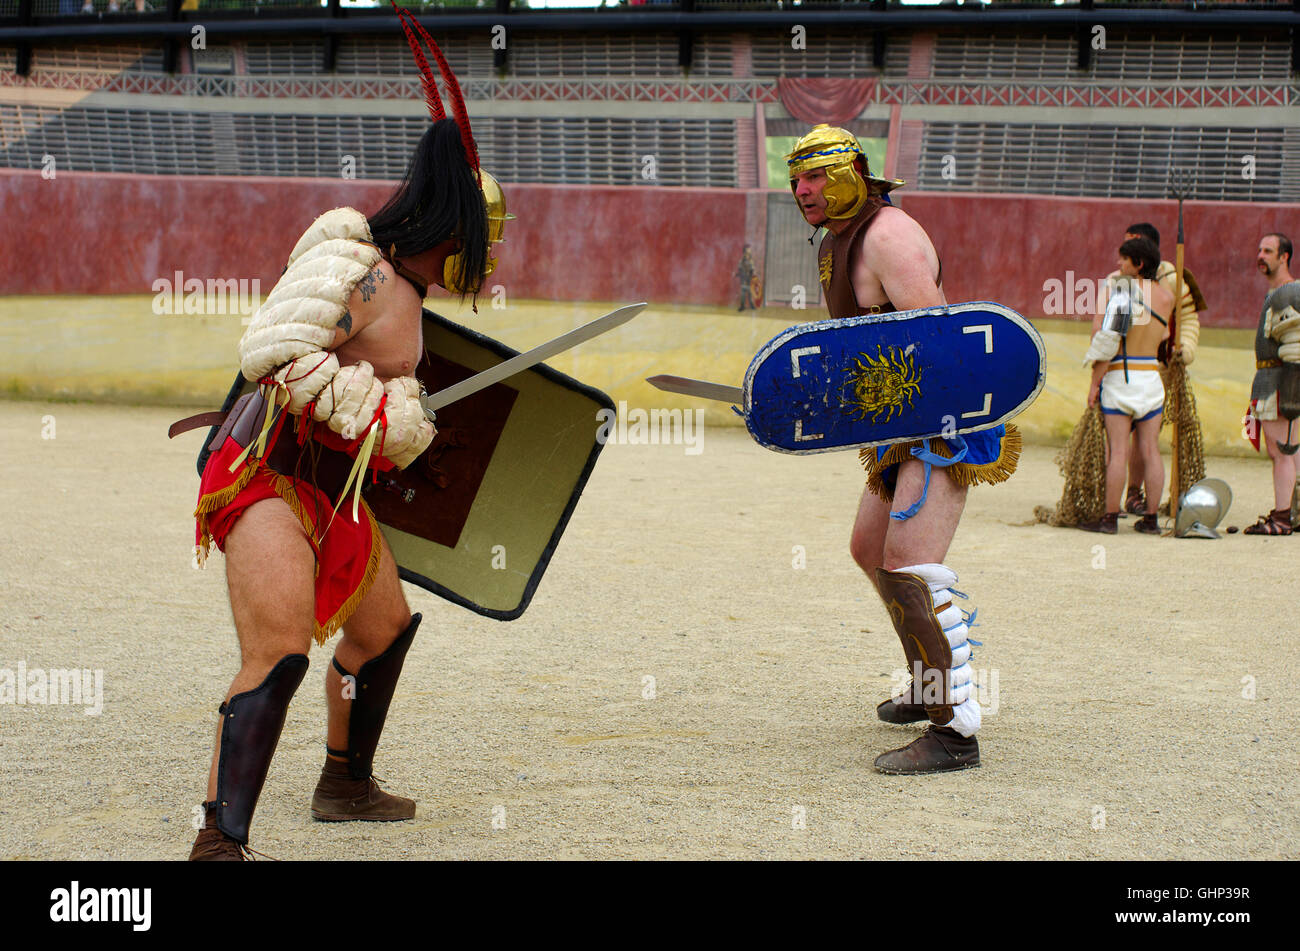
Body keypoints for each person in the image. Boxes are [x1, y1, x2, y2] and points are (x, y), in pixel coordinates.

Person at [185, 10, 508, 859]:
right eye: (481, 244)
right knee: (281, 650)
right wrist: (377, 412)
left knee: (384, 630)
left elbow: (376, 395)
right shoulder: (359, 270)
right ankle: (218, 843)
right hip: (266, 472)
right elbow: (273, 353)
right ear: (453, 231)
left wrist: (400, 427)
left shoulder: (408, 291)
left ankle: (345, 783)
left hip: (333, 489)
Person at [788, 124, 1021, 774]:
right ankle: (927, 684)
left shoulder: (886, 237)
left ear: (850, 174)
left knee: (910, 566)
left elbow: (943, 344)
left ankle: (954, 733)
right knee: (870, 550)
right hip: (902, 423)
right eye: (796, 176)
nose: (802, 188)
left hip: (940, 420)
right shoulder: (843, 240)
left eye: (816, 175)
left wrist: (929, 436)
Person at [1107, 222, 1205, 515]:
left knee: (1137, 441)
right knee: (1135, 442)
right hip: (1137, 370)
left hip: (1149, 369)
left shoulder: (1172, 281)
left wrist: (1183, 350)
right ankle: (1138, 508)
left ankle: (1125, 501)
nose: (1120, 258)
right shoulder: (1120, 281)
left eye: (1128, 250)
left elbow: (1187, 319)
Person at [1079, 237, 1173, 534]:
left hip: (1122, 374)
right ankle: (1151, 519)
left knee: (1118, 451)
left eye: (1124, 260)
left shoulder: (1123, 291)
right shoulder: (1167, 297)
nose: (1119, 266)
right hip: (1151, 378)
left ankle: (1109, 518)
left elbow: (1109, 341)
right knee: (1150, 450)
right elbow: (1165, 335)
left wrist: (1095, 383)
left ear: (1139, 264)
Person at [1244, 233, 1299, 535]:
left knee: (1282, 451)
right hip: (1271, 379)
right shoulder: (1277, 293)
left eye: (1268, 251)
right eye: (1259, 249)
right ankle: (1292, 511)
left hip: (1281, 380)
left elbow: (1297, 346)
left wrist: (1292, 388)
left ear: (1284, 257)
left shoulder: (1290, 292)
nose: (1260, 255)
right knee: (1289, 451)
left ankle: (1281, 518)